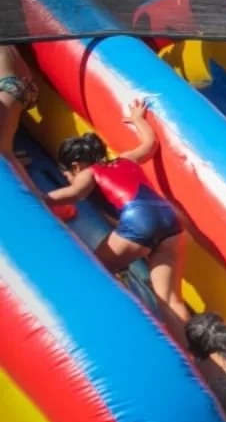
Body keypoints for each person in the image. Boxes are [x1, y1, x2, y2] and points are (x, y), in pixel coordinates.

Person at [46, 100, 189, 343]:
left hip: (138, 221)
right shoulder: (126, 159)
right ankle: (200, 356)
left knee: (95, 269)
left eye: (68, 175)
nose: (70, 179)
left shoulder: (89, 172)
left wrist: (33, 195)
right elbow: (150, 144)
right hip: (171, 221)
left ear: (75, 166)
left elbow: (75, 194)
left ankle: (115, 327)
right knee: (170, 299)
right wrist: (137, 119)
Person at [0, 46, 41, 193]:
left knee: (4, 154)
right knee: (5, 149)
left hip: (8, 88)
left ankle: (35, 198)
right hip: (23, 85)